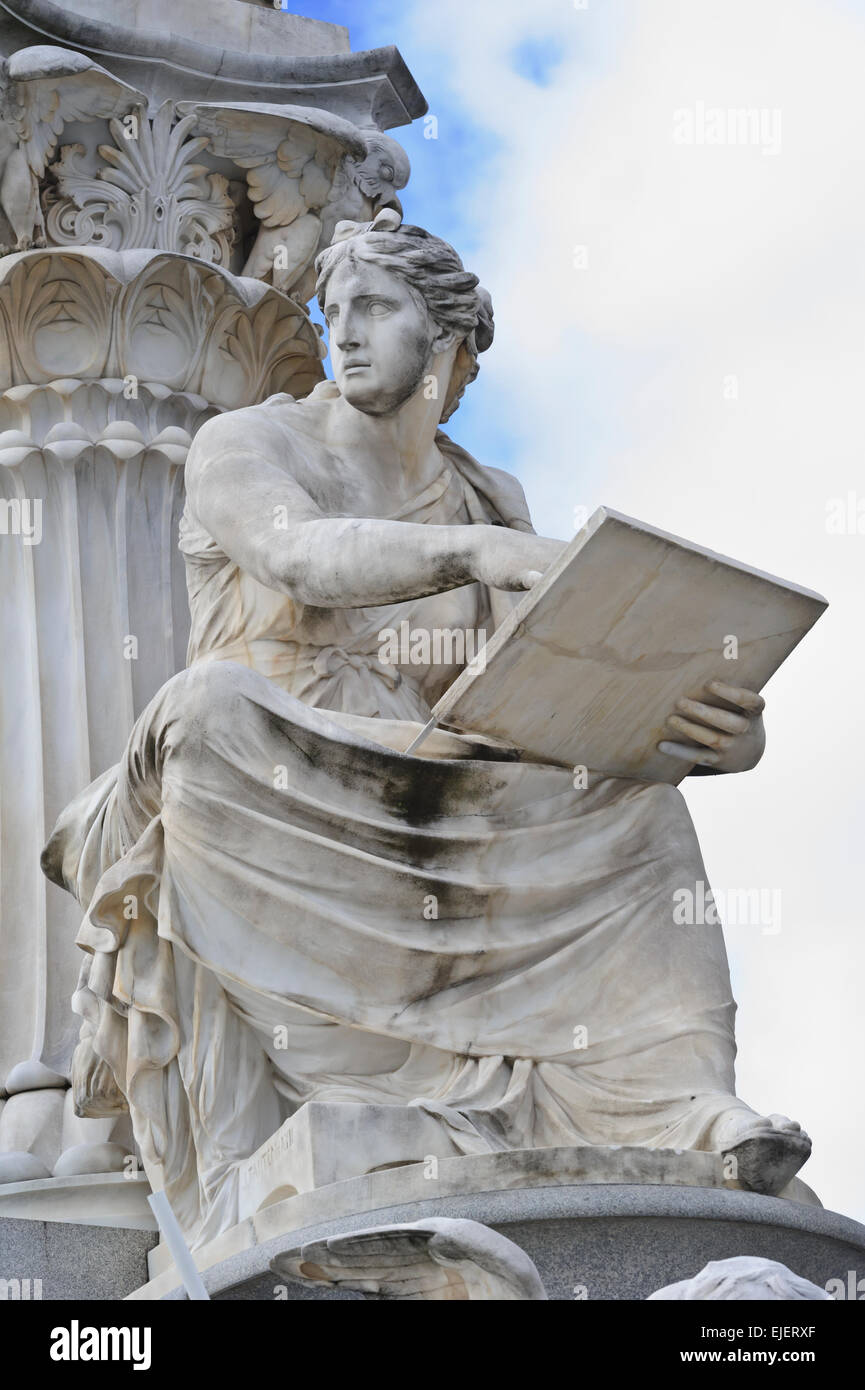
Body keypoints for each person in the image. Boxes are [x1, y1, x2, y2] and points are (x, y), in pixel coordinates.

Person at [42, 210, 809, 1247]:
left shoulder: (487, 494)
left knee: (634, 802)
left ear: (445, 342)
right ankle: (380, 1096)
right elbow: (300, 556)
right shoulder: (250, 442)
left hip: (434, 794)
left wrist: (706, 728)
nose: (343, 331)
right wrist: (477, 556)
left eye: (373, 307)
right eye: (332, 310)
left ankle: (673, 1099)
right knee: (206, 708)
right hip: (275, 769)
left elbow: (556, 688)